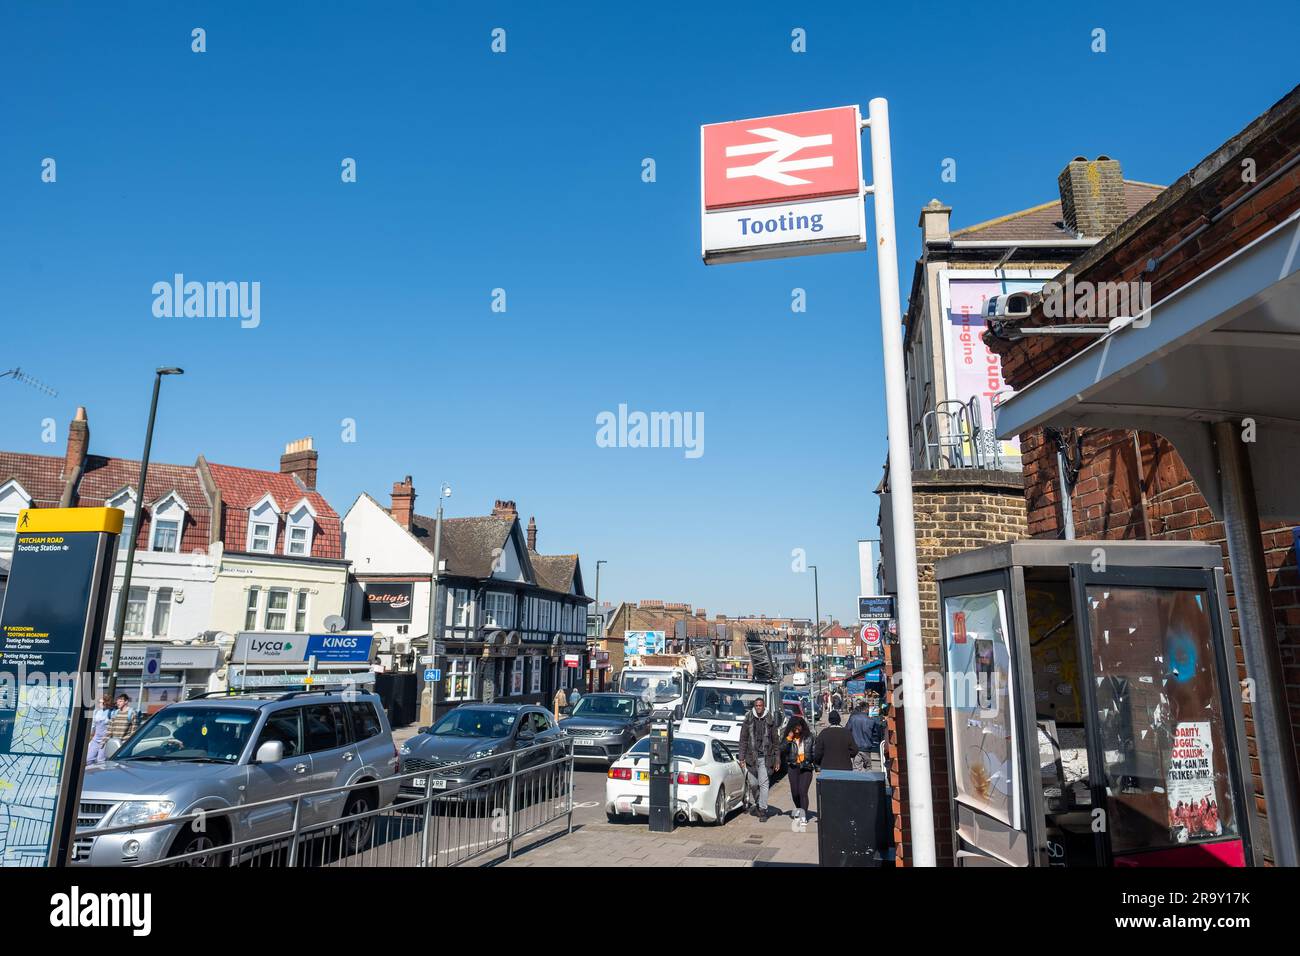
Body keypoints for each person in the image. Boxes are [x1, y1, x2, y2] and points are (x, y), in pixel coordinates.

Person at [738, 698, 781, 822]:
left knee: (764, 783)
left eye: (760, 705)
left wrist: (777, 759)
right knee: (753, 783)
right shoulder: (748, 719)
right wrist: (741, 757)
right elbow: (743, 739)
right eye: (756, 705)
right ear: (754, 706)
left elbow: (776, 741)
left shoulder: (770, 719)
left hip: (765, 757)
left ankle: (763, 810)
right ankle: (758, 802)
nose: (758, 707)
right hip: (751, 758)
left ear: (764, 706)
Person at [782, 716, 814, 821]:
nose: (796, 729)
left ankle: (803, 815)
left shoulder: (809, 737)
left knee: (802, 791)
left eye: (798, 727)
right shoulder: (788, 738)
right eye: (794, 727)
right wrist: (788, 738)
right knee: (795, 792)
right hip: (793, 767)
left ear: (802, 726)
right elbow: (781, 749)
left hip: (806, 767)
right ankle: (799, 809)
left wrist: (818, 767)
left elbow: (815, 753)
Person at [847, 700, 886, 772]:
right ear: (867, 709)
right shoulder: (871, 720)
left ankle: (857, 781)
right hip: (866, 747)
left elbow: (847, 730)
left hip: (855, 747)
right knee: (868, 767)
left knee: (856, 766)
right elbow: (876, 734)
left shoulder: (853, 718)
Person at [86, 693, 113, 764]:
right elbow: (93, 725)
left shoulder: (111, 712)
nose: (99, 704)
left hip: (105, 740)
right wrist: (90, 736)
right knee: (88, 759)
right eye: (99, 702)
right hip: (95, 739)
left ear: (105, 703)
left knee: (100, 760)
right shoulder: (96, 711)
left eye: (101, 702)